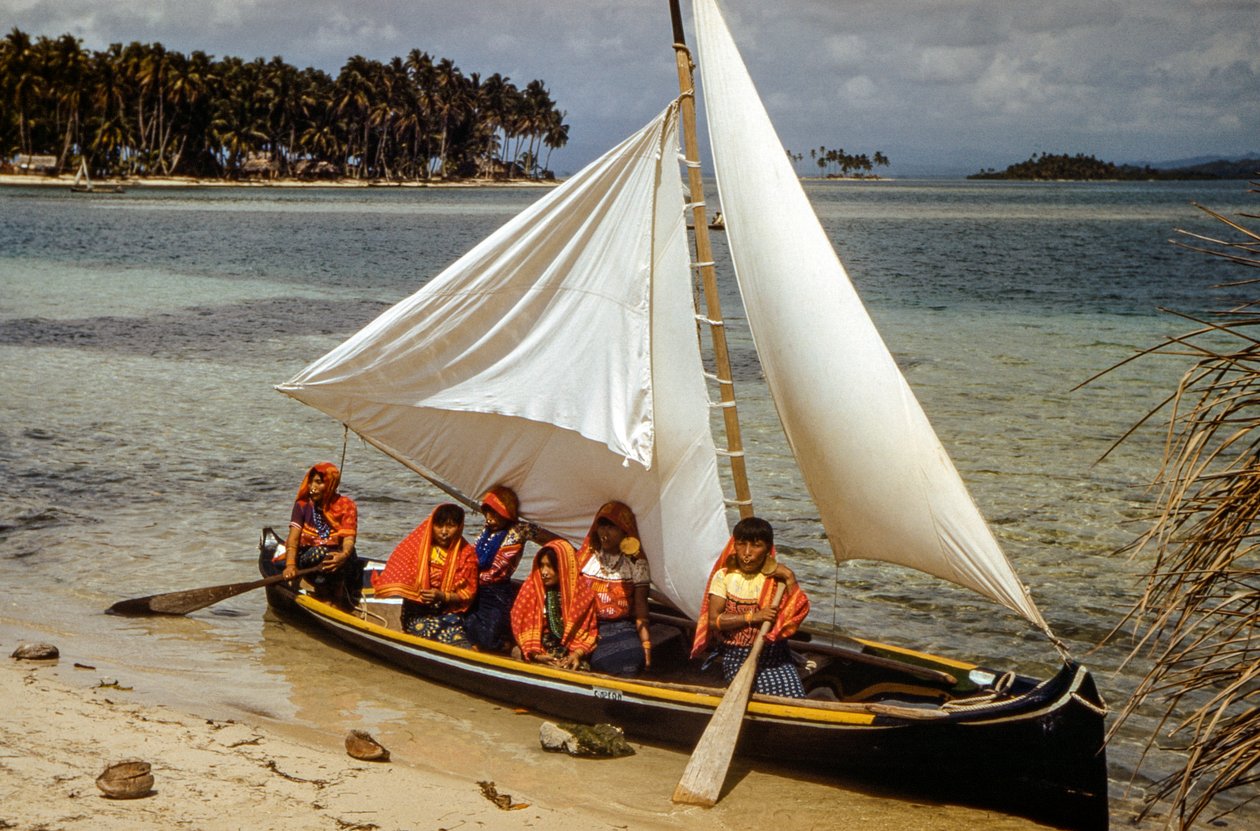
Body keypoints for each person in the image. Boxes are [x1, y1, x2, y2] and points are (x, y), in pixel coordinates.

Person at [689, 516, 810, 698]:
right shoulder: (724, 577)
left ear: (768, 548)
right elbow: (713, 621)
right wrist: (753, 617)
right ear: (734, 546)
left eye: (756, 545)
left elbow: (794, 616)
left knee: (795, 697)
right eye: (741, 544)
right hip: (738, 656)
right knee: (756, 699)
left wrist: (790, 578)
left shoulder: (778, 579)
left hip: (775, 657)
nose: (747, 552)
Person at [372, 503, 478, 647]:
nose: (444, 532)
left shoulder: (466, 554)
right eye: (439, 526)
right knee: (443, 633)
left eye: (451, 526)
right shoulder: (416, 548)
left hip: (447, 610)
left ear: (459, 528)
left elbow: (467, 594)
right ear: (431, 525)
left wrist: (441, 596)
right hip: (416, 612)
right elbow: (399, 573)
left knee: (458, 630)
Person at [576, 501, 651, 676]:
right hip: (586, 624)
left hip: (620, 626)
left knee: (631, 658)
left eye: (611, 527)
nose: (604, 533)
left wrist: (646, 645)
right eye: (602, 526)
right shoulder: (587, 558)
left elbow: (641, 608)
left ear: (624, 531)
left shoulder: (636, 563)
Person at [281, 462, 360, 610]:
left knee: (349, 557)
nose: (313, 487)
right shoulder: (302, 506)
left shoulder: (346, 506)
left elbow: (349, 538)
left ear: (330, 484)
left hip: (337, 559)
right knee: (322, 552)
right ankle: (322, 592)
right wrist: (290, 566)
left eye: (319, 482)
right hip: (311, 557)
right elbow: (294, 538)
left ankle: (337, 594)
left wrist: (344, 555)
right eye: (311, 482)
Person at [510, 539, 598, 670]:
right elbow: (521, 626)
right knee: (517, 653)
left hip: (569, 651)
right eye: (541, 566)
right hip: (538, 649)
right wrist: (536, 655)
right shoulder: (530, 591)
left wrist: (576, 655)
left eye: (550, 566)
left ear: (563, 566)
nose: (544, 572)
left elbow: (587, 632)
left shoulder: (582, 595)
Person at [463, 486, 530, 651]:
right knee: (468, 624)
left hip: (497, 592)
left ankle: (505, 646)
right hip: (477, 588)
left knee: (488, 638)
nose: (488, 519)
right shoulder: (486, 533)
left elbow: (546, 535)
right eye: (487, 513)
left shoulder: (518, 531)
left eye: (494, 513)